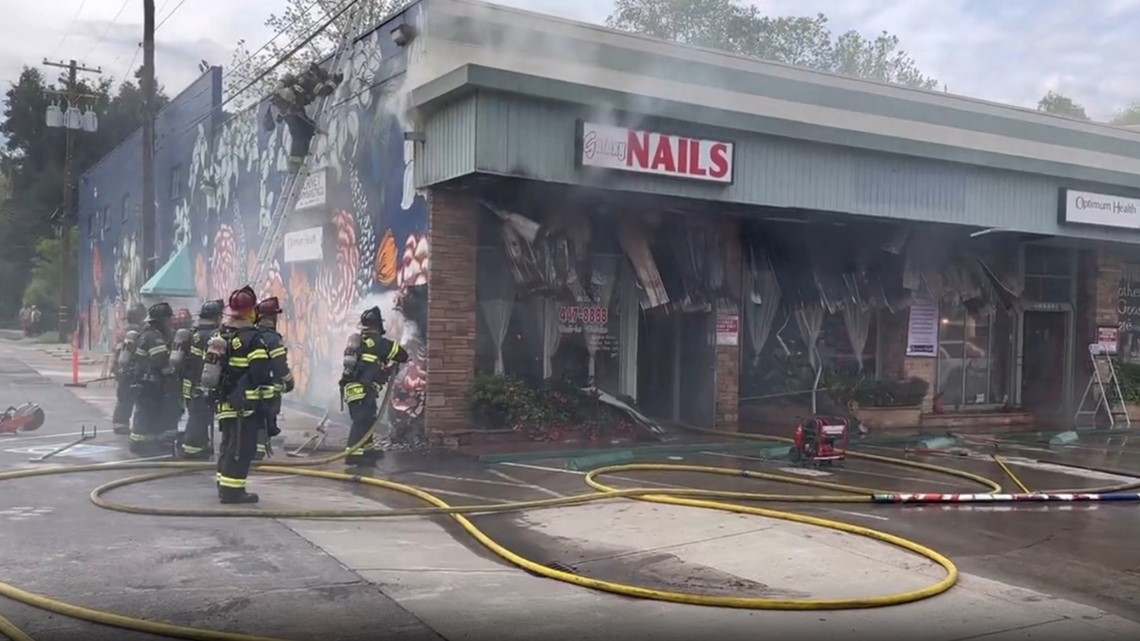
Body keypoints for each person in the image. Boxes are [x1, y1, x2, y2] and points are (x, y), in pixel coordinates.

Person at [212, 286, 272, 504]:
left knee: (228, 443)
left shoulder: (222, 334)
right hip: (245, 403)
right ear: (251, 311)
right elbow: (260, 372)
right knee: (242, 448)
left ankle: (223, 485)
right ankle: (233, 491)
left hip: (226, 399)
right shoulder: (253, 338)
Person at [339, 306, 409, 468]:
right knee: (361, 421)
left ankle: (367, 450)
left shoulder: (360, 342)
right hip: (363, 390)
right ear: (378, 325)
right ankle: (352, 454)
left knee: (368, 420)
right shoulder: (380, 343)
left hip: (352, 389)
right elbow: (402, 355)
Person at [263, 63, 344, 169]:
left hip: (289, 111)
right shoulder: (312, 80)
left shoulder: (301, 78)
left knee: (308, 129)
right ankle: (295, 165)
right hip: (293, 111)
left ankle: (302, 157)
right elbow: (324, 91)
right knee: (299, 135)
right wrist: (335, 82)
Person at [178, 299, 224, 460]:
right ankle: (192, 449)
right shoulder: (214, 336)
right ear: (216, 317)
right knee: (199, 417)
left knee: (196, 415)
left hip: (189, 383)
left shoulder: (194, 333)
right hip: (202, 385)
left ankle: (199, 445)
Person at [129, 302, 176, 456]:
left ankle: (141, 442)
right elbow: (160, 360)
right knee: (147, 414)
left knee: (145, 413)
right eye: (168, 320)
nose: (170, 323)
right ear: (161, 320)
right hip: (150, 383)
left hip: (144, 382)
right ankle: (142, 444)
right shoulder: (153, 337)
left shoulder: (147, 334)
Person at [253, 297, 293, 461]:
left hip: (251, 388)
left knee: (256, 418)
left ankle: (256, 449)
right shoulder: (272, 338)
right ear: (271, 317)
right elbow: (279, 364)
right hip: (269, 389)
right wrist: (289, 381)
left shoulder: (253, 335)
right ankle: (258, 451)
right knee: (265, 418)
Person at [111, 303, 149, 435]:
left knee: (123, 398)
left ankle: (119, 423)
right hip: (132, 371)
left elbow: (116, 351)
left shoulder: (123, 332)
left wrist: (115, 368)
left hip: (121, 369)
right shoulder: (140, 332)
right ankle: (127, 424)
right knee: (134, 399)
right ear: (140, 317)